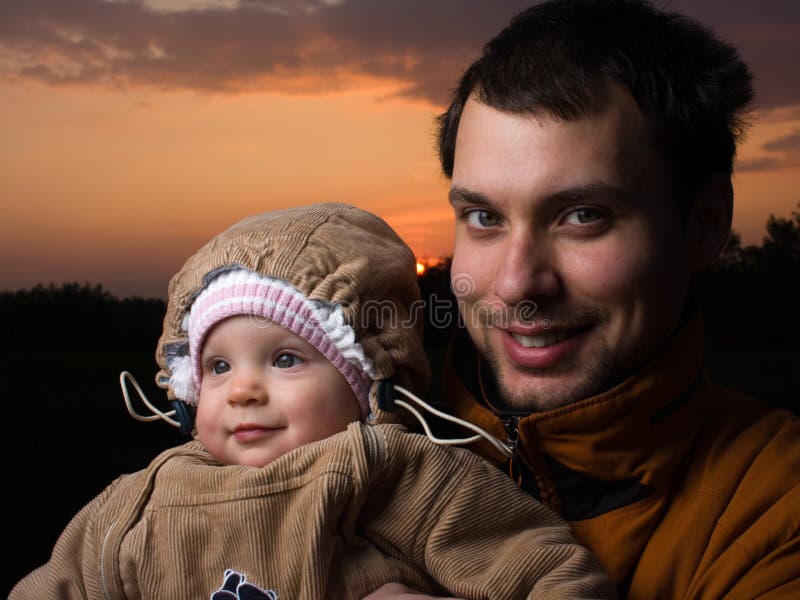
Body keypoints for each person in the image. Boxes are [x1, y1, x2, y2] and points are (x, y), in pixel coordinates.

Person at [377, 0, 799, 599]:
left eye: (582, 216)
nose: (519, 283)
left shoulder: (776, 511)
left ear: (704, 223)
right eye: (484, 217)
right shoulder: (342, 438)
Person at [10, 203, 615, 599]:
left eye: (285, 359)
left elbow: (552, 575)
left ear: (365, 380)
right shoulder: (140, 500)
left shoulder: (392, 470)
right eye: (218, 367)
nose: (243, 389)